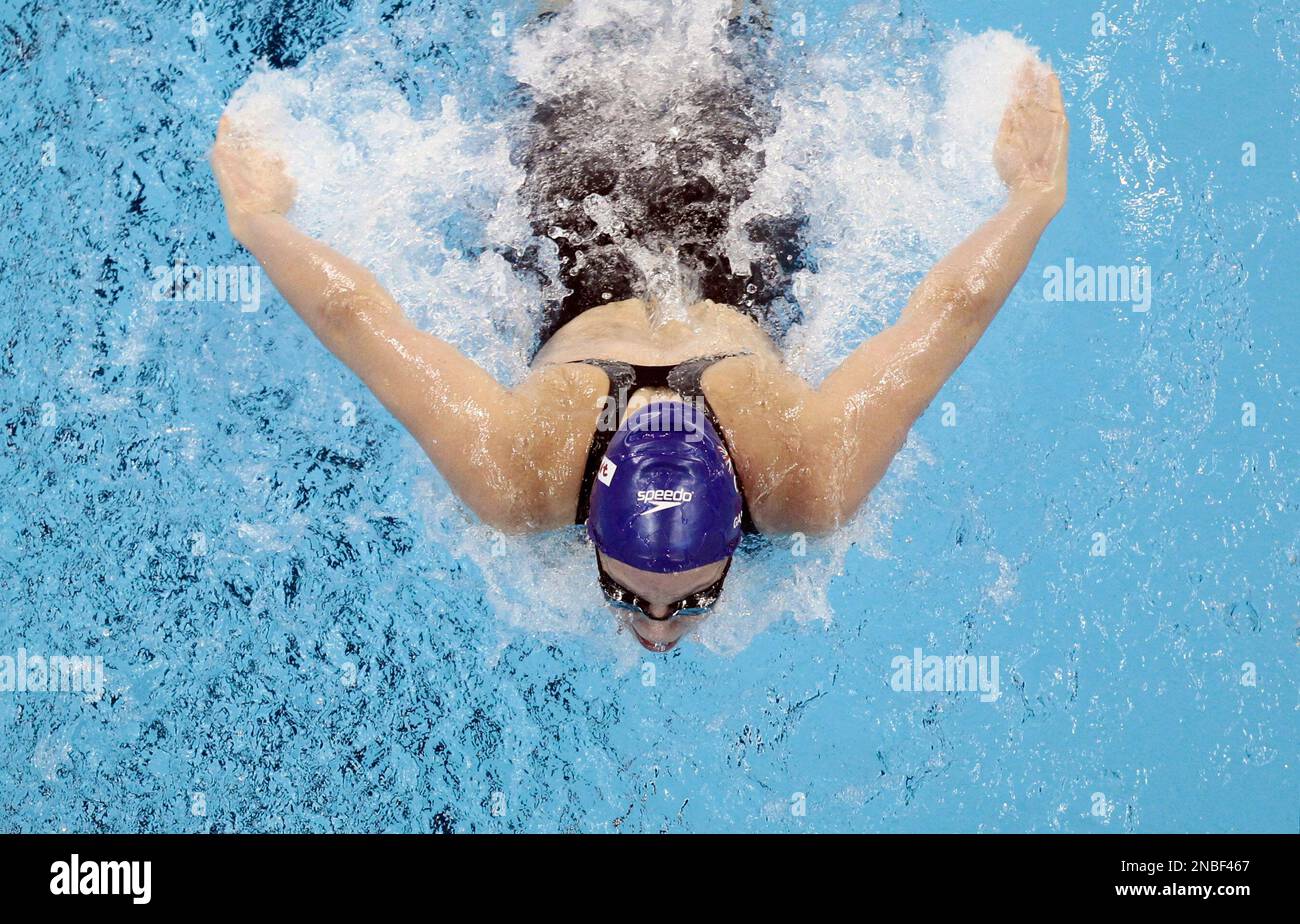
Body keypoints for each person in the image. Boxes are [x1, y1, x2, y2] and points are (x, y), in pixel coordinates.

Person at [210, 6, 1068, 653]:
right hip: (730, 220)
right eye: (678, 600)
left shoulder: (523, 475)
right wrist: (1031, 198)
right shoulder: (804, 479)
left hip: (582, 219)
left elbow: (363, 315)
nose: (657, 633)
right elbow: (945, 313)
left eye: (653, 599)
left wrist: (262, 222)